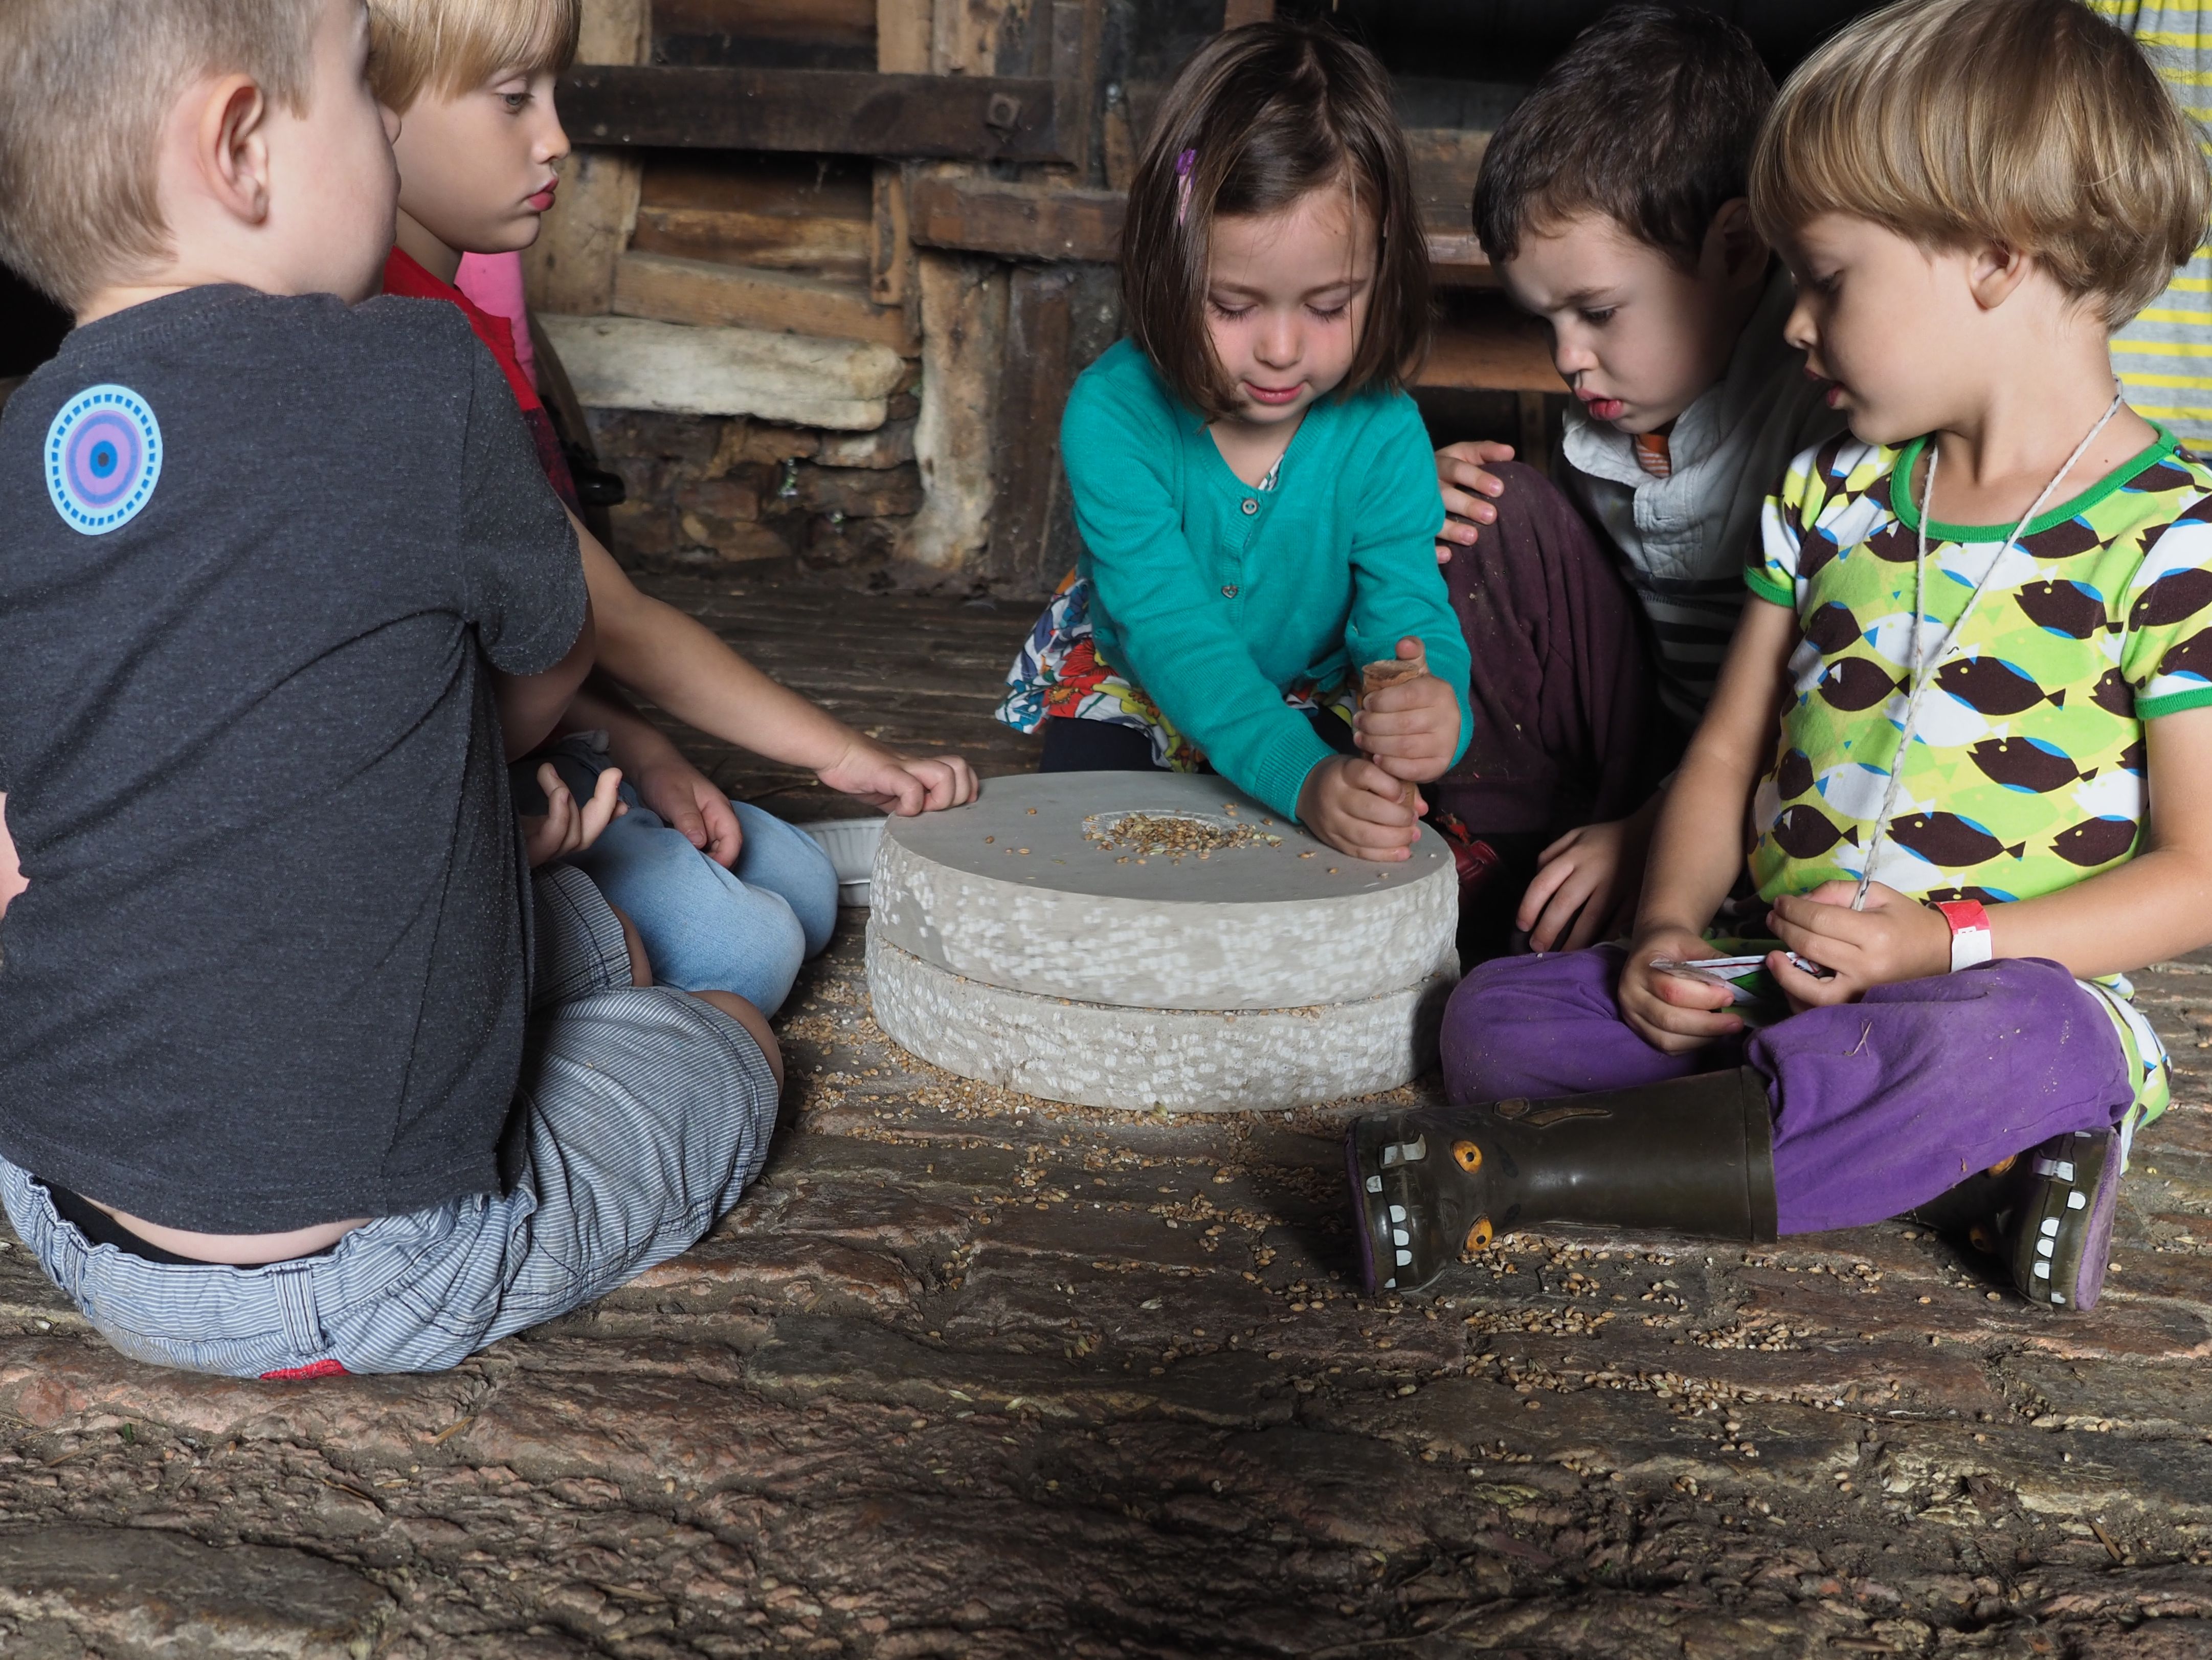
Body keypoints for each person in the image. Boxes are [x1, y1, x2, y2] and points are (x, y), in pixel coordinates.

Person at [1348, 0, 2212, 1315]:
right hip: (1781, 976)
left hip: (1987, 995)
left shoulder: (2171, 538)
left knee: (2021, 1043)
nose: (1795, 327)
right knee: (1493, 1022)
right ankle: (1976, 1178)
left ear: (1992, 256)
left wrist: (1946, 948)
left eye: (1829, 279)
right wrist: (1674, 933)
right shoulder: (1832, 493)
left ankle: (1522, 1176)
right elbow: (1724, 754)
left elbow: (2200, 877)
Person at [0, 0, 779, 1375]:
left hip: (61, 1208)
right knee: (727, 1037)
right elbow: (550, 669)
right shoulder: (422, 381)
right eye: (363, 91)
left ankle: (571, 961)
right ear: (241, 145)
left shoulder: (19, 448)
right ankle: (613, 993)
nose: (381, 130)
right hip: (365, 1268)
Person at [368, 0, 978, 1014]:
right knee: (754, 948)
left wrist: (639, 744)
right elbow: (617, 618)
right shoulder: (401, 340)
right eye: (515, 101)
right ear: (375, 110)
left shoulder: (458, 314)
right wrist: (841, 753)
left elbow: (536, 629)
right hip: (451, 789)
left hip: (541, 733)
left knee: (802, 884)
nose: (556, 138)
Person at [994, 21, 1472, 862]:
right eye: (1231, 305)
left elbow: (1403, 608)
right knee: (1080, 853)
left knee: (1348, 846)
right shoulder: (1114, 417)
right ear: (1168, 261)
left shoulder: (1384, 430)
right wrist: (1299, 778)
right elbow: (1170, 631)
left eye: (1329, 305)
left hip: (1306, 692)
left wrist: (1434, 701)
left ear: (1384, 254)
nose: (1282, 349)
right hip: (1137, 685)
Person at [1426, 6, 1846, 956]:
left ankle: (1647, 897)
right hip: (1640, 745)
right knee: (1500, 512)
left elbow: (1817, 692)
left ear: (1735, 252)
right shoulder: (1609, 407)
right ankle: (1498, 858)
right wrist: (1424, 502)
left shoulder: (1821, 404)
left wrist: (1655, 832)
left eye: (1598, 312)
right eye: (1545, 323)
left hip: (1783, 771)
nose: (1567, 358)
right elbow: (1571, 624)